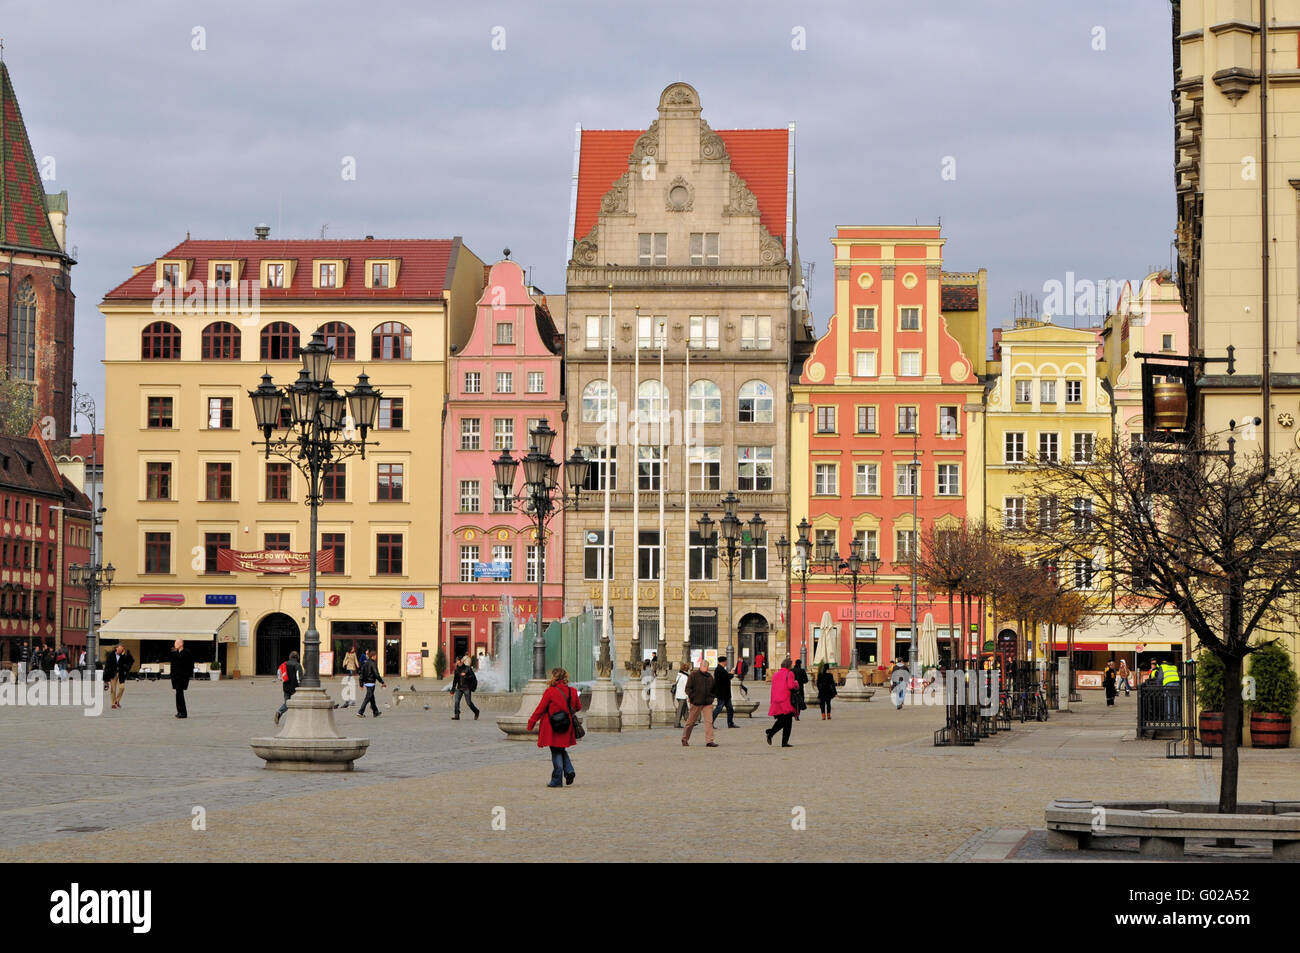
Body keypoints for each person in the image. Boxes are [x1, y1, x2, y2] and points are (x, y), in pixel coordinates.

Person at [526, 667, 582, 787]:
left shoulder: (550, 692)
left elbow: (540, 709)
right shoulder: (572, 691)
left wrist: (531, 722)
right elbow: (578, 707)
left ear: (554, 677)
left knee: (556, 751)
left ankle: (557, 780)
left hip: (553, 726)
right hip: (566, 725)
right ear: (565, 677)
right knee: (560, 749)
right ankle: (569, 770)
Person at [681, 658, 717, 747]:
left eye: (707, 666)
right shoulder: (693, 675)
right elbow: (688, 688)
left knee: (709, 722)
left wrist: (712, 697)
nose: (705, 668)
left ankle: (709, 741)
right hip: (696, 702)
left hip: (707, 703)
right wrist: (692, 697)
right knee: (690, 722)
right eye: (703, 666)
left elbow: (714, 688)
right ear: (700, 666)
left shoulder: (709, 676)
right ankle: (684, 739)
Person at [765, 657, 797, 747]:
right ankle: (783, 741)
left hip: (776, 700)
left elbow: (773, 688)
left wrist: (772, 701)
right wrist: (796, 684)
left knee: (782, 720)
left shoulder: (775, 674)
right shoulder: (789, 673)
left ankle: (770, 733)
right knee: (787, 722)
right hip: (786, 701)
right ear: (789, 665)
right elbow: (791, 686)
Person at [274, 651, 302, 725]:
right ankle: (297, 720)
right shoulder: (297, 665)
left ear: (290, 657)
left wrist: (283, 680)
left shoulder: (284, 664)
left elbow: (279, 674)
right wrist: (300, 686)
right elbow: (299, 677)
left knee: (287, 703)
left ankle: (279, 712)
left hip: (286, 687)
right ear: (297, 657)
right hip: (295, 688)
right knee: (297, 703)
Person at [170, 639, 194, 718]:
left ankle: (183, 712)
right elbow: (172, 665)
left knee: (180, 694)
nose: (175, 644)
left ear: (181, 644)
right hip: (176, 677)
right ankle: (180, 711)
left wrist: (188, 675)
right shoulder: (174, 653)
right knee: (178, 694)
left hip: (183, 677)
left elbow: (190, 665)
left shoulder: (187, 653)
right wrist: (172, 675)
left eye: (176, 643)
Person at [357, 649, 385, 717]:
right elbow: (376, 674)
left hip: (366, 683)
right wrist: (382, 682)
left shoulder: (365, 663)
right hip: (371, 683)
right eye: (376, 656)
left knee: (372, 697)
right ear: (373, 656)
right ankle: (360, 712)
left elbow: (361, 674)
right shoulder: (373, 663)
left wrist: (361, 684)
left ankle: (375, 712)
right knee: (368, 697)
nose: (376, 657)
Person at [711, 655, 737, 729]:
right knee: (718, 708)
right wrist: (731, 673)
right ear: (724, 662)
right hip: (722, 694)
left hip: (725, 694)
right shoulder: (720, 670)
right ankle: (710, 722)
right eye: (726, 661)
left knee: (730, 709)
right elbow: (726, 678)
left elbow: (725, 677)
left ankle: (730, 723)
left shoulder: (720, 669)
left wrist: (730, 674)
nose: (726, 663)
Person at [451, 656, 480, 721]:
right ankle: (457, 715)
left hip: (467, 688)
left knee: (469, 703)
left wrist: (466, 675)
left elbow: (473, 677)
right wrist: (452, 690)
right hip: (459, 688)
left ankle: (476, 711)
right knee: (456, 701)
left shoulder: (468, 668)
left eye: (460, 661)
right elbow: (455, 680)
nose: (459, 662)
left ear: (462, 661)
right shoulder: (456, 670)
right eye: (457, 661)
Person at [110, 644, 133, 709]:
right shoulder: (111, 655)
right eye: (120, 649)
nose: (120, 650)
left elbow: (126, 663)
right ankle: (113, 704)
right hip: (113, 674)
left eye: (122, 649)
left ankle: (117, 701)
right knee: (113, 690)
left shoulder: (123, 656)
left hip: (121, 674)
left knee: (122, 688)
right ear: (116, 648)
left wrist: (123, 655)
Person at [340, 644, 359, 708]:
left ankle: (350, 680)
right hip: (349, 666)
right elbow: (345, 659)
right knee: (350, 673)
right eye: (353, 648)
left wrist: (357, 665)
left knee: (351, 673)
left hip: (352, 666)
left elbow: (356, 660)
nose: (354, 649)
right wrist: (343, 664)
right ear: (350, 649)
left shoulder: (354, 654)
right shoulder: (347, 653)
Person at [673, 663, 690, 727]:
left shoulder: (678, 675)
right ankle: (676, 723)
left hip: (678, 694)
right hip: (682, 695)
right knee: (680, 710)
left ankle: (689, 721)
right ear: (687, 669)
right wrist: (688, 696)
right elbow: (686, 687)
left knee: (685, 709)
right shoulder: (685, 677)